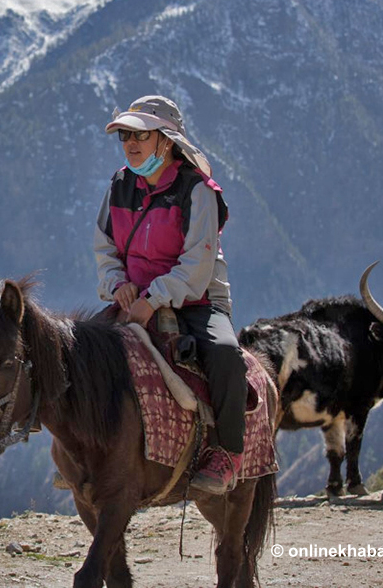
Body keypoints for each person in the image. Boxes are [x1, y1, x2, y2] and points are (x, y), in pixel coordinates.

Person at [93, 95, 247, 495]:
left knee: (226, 354)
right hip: (133, 297)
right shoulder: (119, 186)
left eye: (141, 134)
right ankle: (86, 453)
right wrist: (117, 284)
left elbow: (197, 266)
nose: (130, 143)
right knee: (79, 353)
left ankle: (228, 454)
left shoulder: (198, 191)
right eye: (125, 134)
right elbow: (105, 249)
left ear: (166, 140)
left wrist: (152, 300)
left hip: (195, 301)